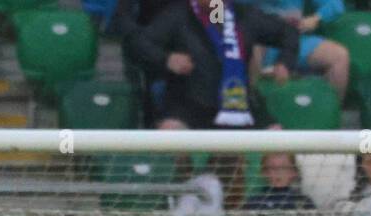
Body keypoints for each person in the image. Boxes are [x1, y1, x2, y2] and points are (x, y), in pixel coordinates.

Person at [125, 0, 300, 129]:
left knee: (278, 146)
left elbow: (288, 31)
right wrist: (166, 59)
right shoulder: (178, 15)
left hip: (240, 105)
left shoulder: (245, 15)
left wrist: (285, 62)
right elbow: (137, 43)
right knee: (169, 132)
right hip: (190, 105)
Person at [253, 0, 351, 100]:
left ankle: (328, 108)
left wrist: (315, 18)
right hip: (260, 42)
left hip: (294, 40)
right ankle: (251, 103)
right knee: (252, 45)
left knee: (340, 56)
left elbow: (335, 5)